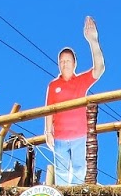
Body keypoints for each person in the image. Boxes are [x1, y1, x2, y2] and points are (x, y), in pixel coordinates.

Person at [43, 16, 106, 186]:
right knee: (61, 171)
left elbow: (99, 69)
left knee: (79, 169)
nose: (65, 64)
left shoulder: (80, 81)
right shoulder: (53, 85)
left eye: (68, 61)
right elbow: (49, 109)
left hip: (79, 134)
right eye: (62, 61)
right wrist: (48, 131)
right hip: (60, 137)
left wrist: (93, 41)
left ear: (74, 63)